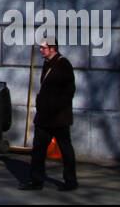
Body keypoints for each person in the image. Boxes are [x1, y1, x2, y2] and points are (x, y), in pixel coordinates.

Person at [20, 37, 77, 191]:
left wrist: (57, 108)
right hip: (44, 117)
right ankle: (36, 180)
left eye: (43, 48)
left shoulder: (63, 64)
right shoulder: (47, 63)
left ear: (52, 48)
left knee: (65, 149)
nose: (40, 50)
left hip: (59, 117)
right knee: (38, 149)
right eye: (40, 47)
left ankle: (71, 181)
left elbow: (69, 91)